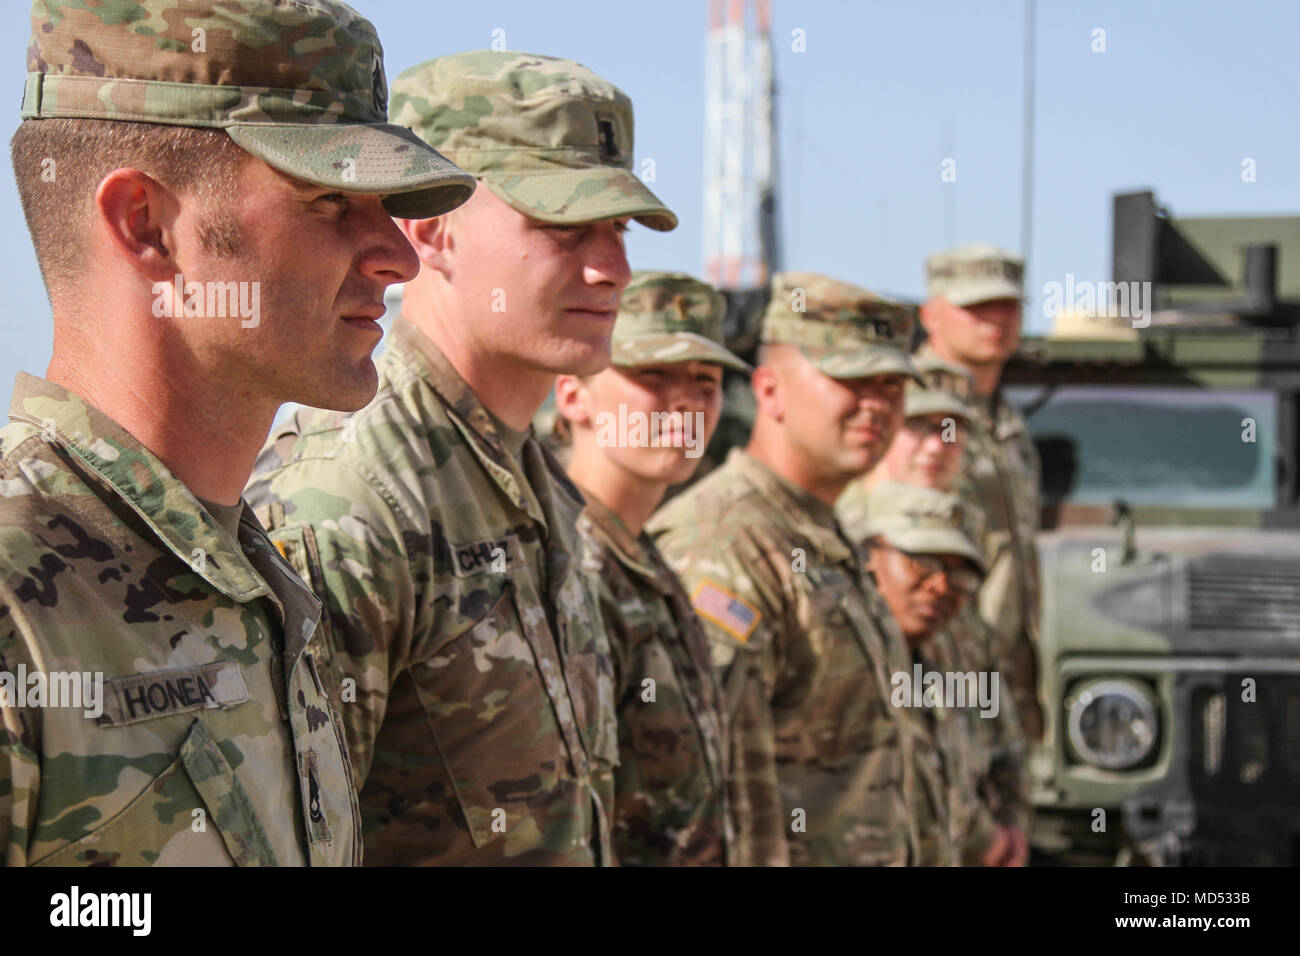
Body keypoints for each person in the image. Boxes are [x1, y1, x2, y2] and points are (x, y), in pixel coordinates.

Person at [0, 0, 474, 866]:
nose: (397, 255)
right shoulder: (19, 598)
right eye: (331, 199)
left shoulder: (263, 579)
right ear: (146, 224)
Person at [245, 50, 676, 865]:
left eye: (618, 229)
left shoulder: (532, 479)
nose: (612, 270)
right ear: (431, 228)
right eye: (561, 225)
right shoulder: (351, 497)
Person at [648, 271, 925, 866]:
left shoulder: (822, 531)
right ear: (770, 391)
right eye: (852, 378)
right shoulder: (723, 544)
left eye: (893, 384)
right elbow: (711, 794)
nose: (878, 404)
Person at [553, 271, 747, 865]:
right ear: (573, 395)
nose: (686, 401)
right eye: (653, 375)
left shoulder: (645, 560)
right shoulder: (563, 563)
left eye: (706, 381)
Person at [859, 482, 1028, 866]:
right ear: (869, 555)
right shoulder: (832, 665)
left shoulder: (950, 663)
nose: (941, 586)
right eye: (923, 562)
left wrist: (1004, 832)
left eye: (961, 575)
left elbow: (1006, 750)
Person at [918, 245, 1045, 743]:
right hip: (938, 664)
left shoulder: (1005, 421)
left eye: (1008, 307)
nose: (995, 321)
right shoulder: (911, 408)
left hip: (1006, 666)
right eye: (975, 308)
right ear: (931, 315)